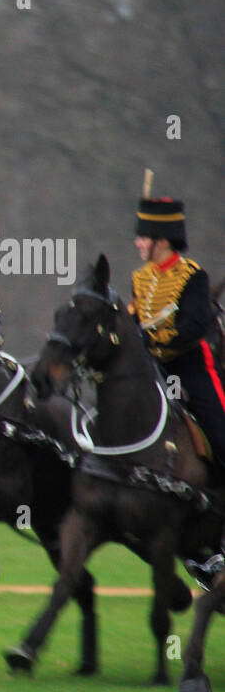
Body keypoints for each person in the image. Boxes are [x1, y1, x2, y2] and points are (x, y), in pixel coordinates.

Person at [129, 196, 225, 584]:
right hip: (152, 372)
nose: (138, 244)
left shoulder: (193, 277)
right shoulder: (139, 280)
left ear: (163, 240)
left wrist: (154, 336)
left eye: (143, 237)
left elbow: (193, 327)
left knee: (221, 438)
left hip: (192, 371)